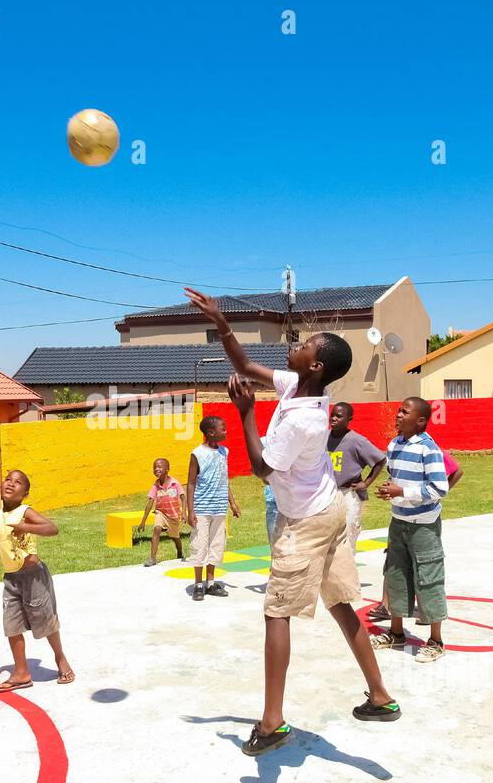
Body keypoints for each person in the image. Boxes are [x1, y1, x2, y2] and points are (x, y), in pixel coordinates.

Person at [186, 287, 401, 757]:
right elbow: (245, 367)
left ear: (316, 365)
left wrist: (245, 414)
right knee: (341, 604)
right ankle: (381, 698)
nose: (297, 344)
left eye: (306, 345)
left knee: (276, 611)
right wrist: (221, 323)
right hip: (329, 511)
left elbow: (263, 469)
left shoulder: (304, 420)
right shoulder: (297, 387)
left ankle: (272, 723)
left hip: (305, 521)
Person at [0, 470, 74, 691]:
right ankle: (21, 673)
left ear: (25, 493)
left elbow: (52, 528)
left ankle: (60, 657)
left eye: (17, 483)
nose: (10, 484)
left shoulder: (25, 512)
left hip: (34, 576)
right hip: (11, 579)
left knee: (45, 620)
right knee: (12, 625)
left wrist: (24, 526)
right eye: (8, 479)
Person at [369, 398, 451, 664]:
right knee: (396, 574)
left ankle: (436, 641)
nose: (398, 414)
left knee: (428, 577)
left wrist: (402, 492)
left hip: (424, 526)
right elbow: (396, 479)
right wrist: (390, 492)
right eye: (399, 410)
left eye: (405, 411)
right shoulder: (394, 445)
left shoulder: (429, 449)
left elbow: (440, 489)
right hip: (398, 521)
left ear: (420, 421)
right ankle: (396, 633)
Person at [186, 415, 241, 600]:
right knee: (200, 546)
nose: (225, 431)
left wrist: (231, 502)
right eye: (222, 429)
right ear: (211, 432)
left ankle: (210, 583)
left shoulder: (224, 451)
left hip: (219, 509)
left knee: (216, 547)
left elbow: (224, 479)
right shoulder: (197, 454)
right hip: (201, 510)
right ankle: (198, 584)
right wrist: (190, 510)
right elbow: (191, 483)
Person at [327, 402, 386, 554]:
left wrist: (366, 483)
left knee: (349, 532)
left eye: (339, 416)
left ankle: (347, 572)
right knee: (328, 534)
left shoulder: (356, 440)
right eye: (332, 414)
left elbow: (380, 460)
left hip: (349, 493)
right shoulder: (324, 438)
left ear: (349, 419)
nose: (333, 418)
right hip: (327, 493)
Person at [138, 458, 185, 566]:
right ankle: (153, 558)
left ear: (167, 469)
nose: (156, 469)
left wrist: (184, 514)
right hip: (161, 513)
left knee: (175, 537)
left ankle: (180, 551)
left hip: (173, 516)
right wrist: (143, 521)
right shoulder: (156, 486)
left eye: (159, 467)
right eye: (154, 468)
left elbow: (183, 497)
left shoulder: (175, 483)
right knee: (157, 529)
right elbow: (150, 502)